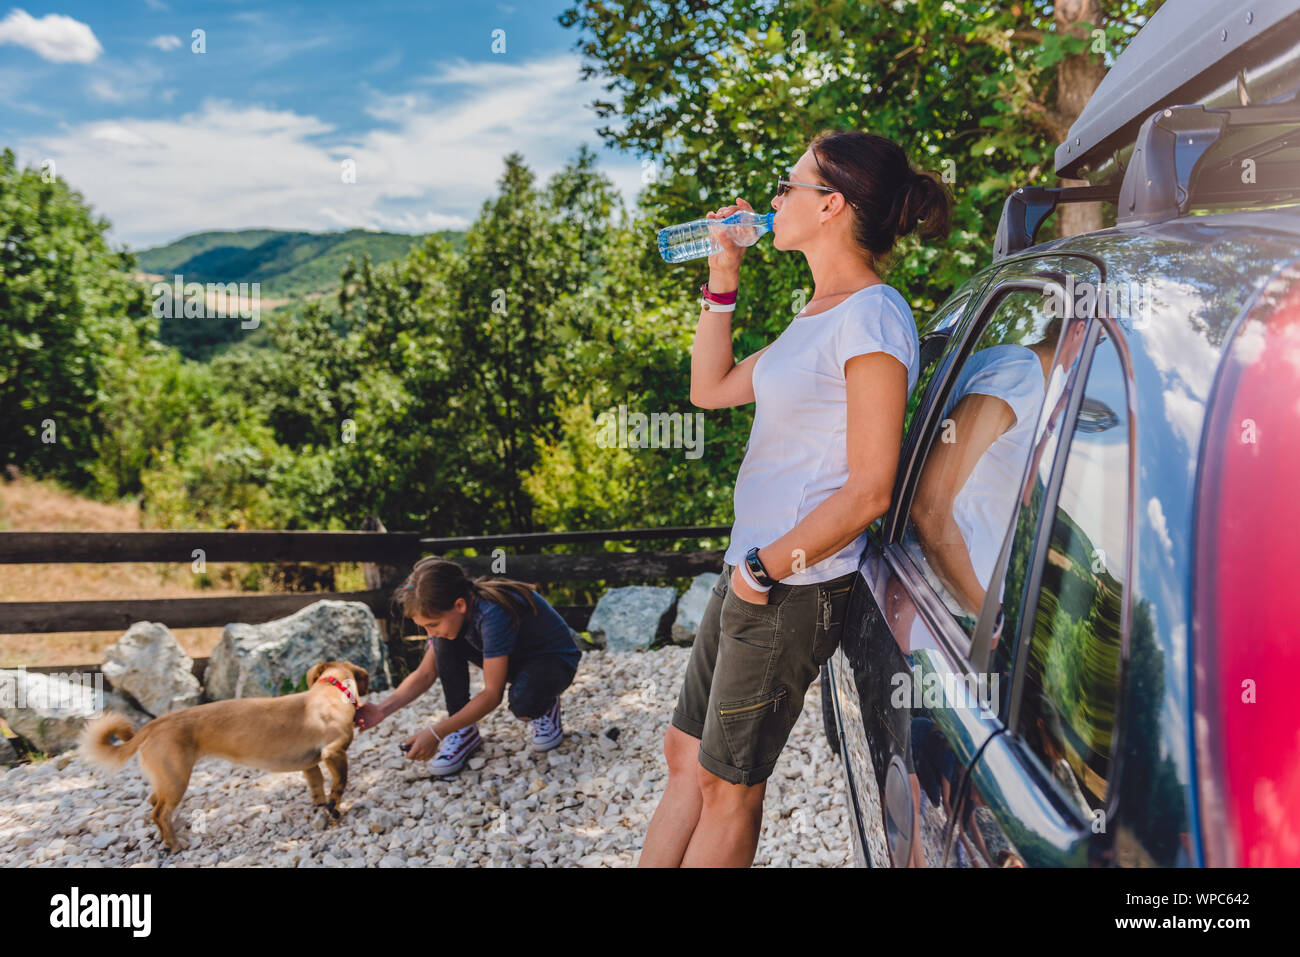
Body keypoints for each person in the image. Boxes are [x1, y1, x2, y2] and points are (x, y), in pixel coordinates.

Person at [640, 129, 952, 867]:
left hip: (789, 585)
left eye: (789, 186)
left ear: (832, 204)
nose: (775, 199)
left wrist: (766, 567)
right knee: (684, 753)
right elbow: (708, 388)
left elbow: (871, 484)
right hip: (751, 571)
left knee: (728, 787)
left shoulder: (872, 316)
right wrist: (723, 270)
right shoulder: (818, 312)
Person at [354, 557, 581, 776]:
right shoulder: (454, 614)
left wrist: (437, 732)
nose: (429, 634)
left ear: (459, 605)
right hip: (517, 659)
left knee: (523, 702)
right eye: (424, 628)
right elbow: (424, 674)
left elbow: (492, 695)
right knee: (444, 641)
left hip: (554, 661)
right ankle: (464, 731)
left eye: (432, 625)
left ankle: (544, 706)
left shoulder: (492, 613)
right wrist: (381, 710)